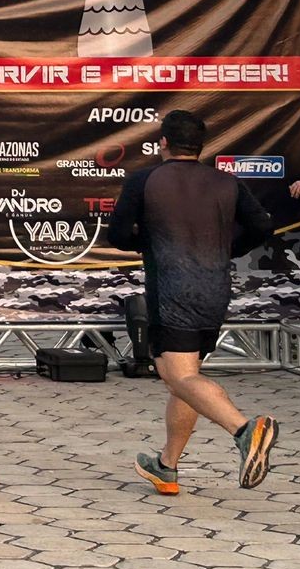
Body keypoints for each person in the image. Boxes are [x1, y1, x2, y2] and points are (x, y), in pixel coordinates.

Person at [107, 109, 278, 495]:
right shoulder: (226, 182)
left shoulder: (144, 180)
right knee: (182, 378)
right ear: (201, 145)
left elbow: (117, 233)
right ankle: (167, 466)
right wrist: (227, 249)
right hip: (215, 289)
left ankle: (245, 431)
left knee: (180, 376)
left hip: (172, 291)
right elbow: (263, 226)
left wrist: (147, 243)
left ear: (163, 143)